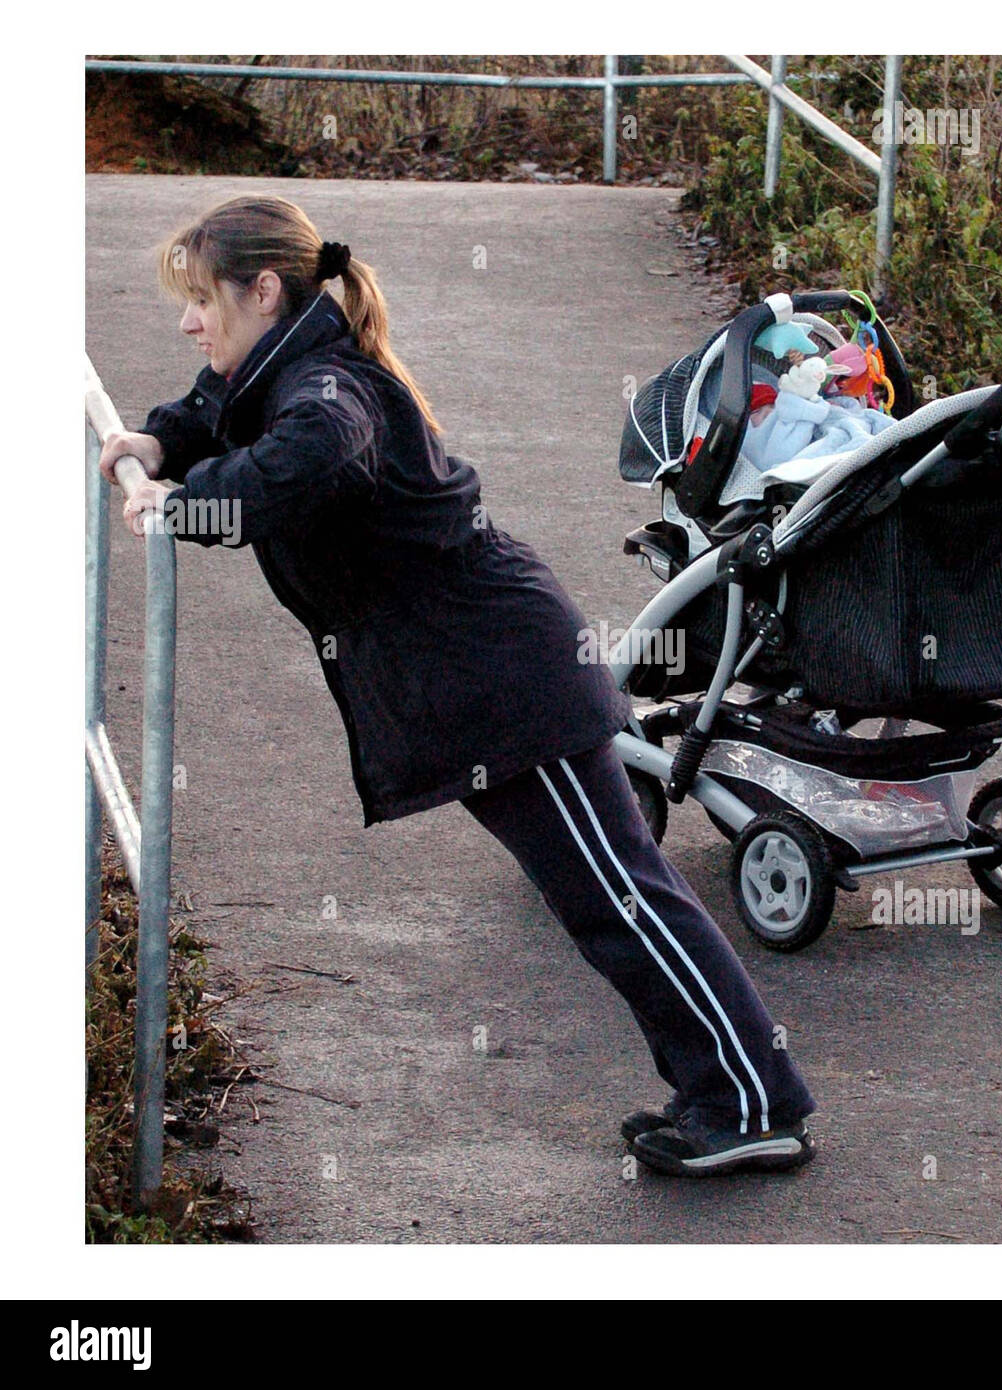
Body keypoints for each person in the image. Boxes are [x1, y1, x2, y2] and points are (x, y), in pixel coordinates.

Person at [99, 195, 817, 1178]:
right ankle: (724, 1089)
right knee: (602, 899)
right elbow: (216, 407)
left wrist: (182, 505)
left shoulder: (327, 386)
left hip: (505, 678)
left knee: (621, 896)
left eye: (201, 299)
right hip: (473, 681)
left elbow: (307, 460)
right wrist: (159, 443)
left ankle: (750, 1099)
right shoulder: (282, 363)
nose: (189, 321)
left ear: (263, 291)